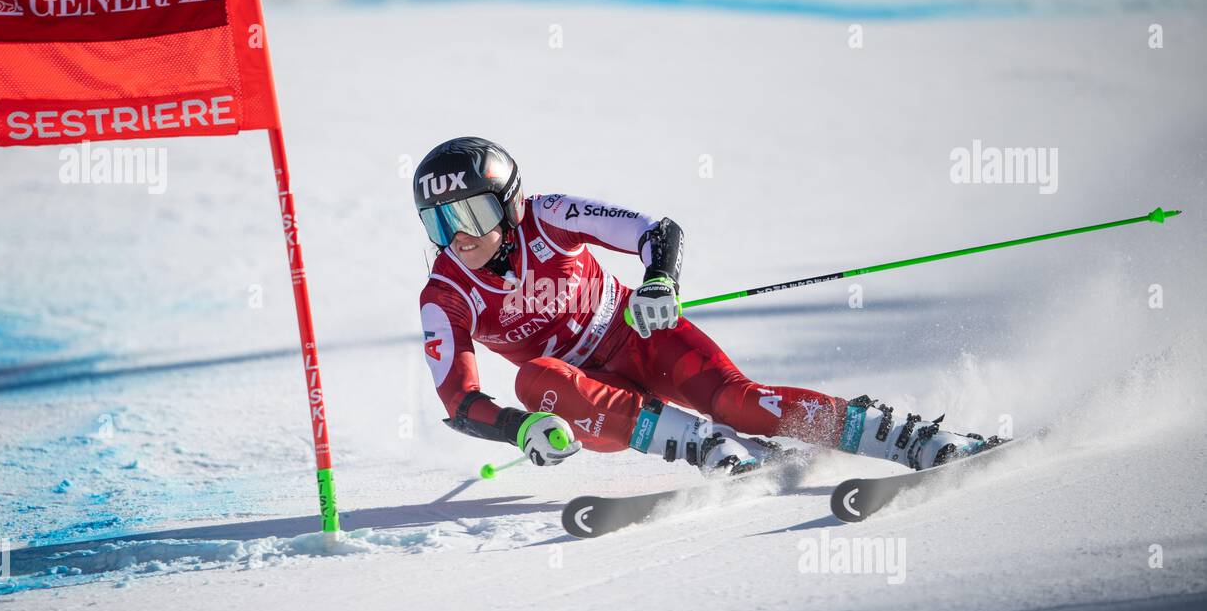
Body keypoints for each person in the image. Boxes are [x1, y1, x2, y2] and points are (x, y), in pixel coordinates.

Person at [415, 136, 987, 473]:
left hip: (640, 338)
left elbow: (655, 230)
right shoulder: (446, 295)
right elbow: (460, 401)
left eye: (472, 214)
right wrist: (522, 429)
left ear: (509, 205)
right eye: (439, 222)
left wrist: (659, 281)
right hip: (588, 394)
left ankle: (898, 434)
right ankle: (701, 446)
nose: (458, 236)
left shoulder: (549, 214)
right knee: (535, 377)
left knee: (737, 402)